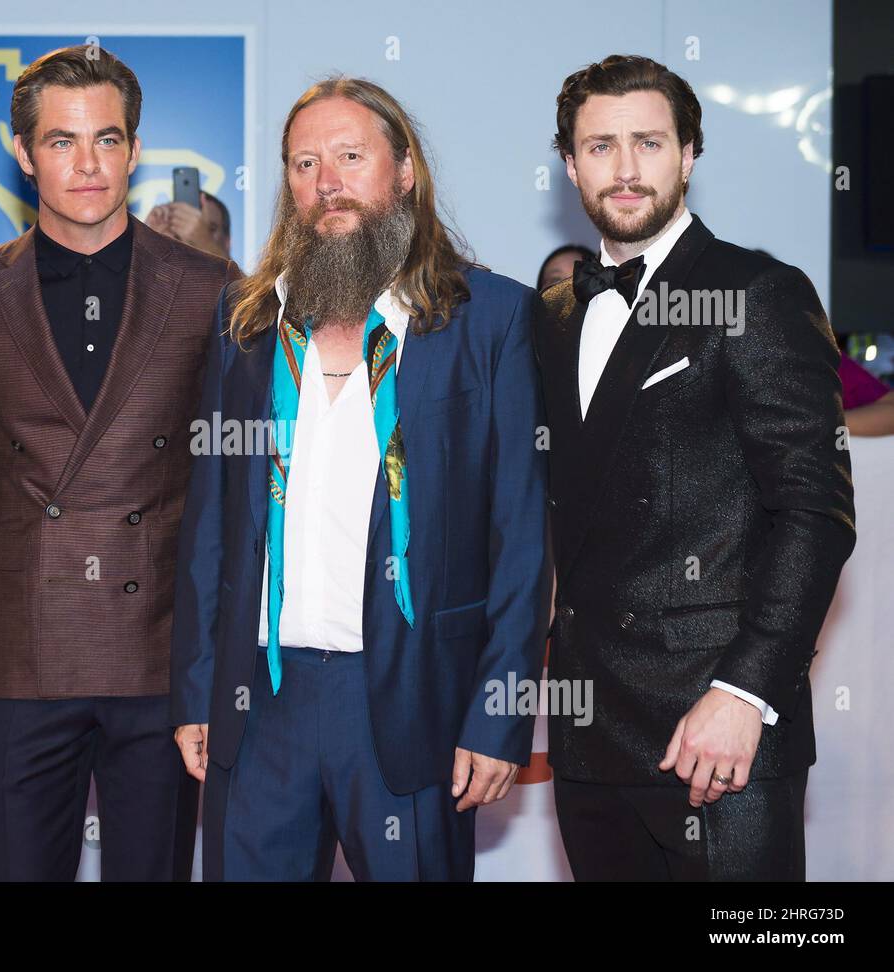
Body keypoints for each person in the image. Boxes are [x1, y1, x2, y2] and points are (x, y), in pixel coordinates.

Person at [170, 76, 551, 881]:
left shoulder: (491, 318)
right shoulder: (245, 323)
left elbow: (520, 539)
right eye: (305, 164)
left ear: (404, 170)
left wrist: (498, 714)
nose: (327, 183)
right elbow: (210, 524)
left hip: (414, 706)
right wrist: (198, 691)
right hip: (259, 703)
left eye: (350, 156)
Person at [534, 54, 856, 881]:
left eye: (649, 142)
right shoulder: (556, 314)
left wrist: (746, 694)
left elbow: (814, 515)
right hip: (589, 737)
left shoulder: (756, 291)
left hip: (717, 737)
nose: (627, 168)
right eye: (600, 146)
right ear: (570, 164)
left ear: (689, 155)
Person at [0, 45, 240, 881]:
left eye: (107, 140)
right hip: (18, 652)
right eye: (62, 142)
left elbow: (236, 488)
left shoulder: (211, 286)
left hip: (161, 656)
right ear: (25, 153)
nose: (88, 163)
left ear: (135, 151)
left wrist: (221, 659)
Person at [147, 188, 232, 258]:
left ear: (227, 242)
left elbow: (237, 278)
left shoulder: (236, 276)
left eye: (210, 229)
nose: (192, 232)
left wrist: (205, 244)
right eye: (182, 223)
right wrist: (151, 242)